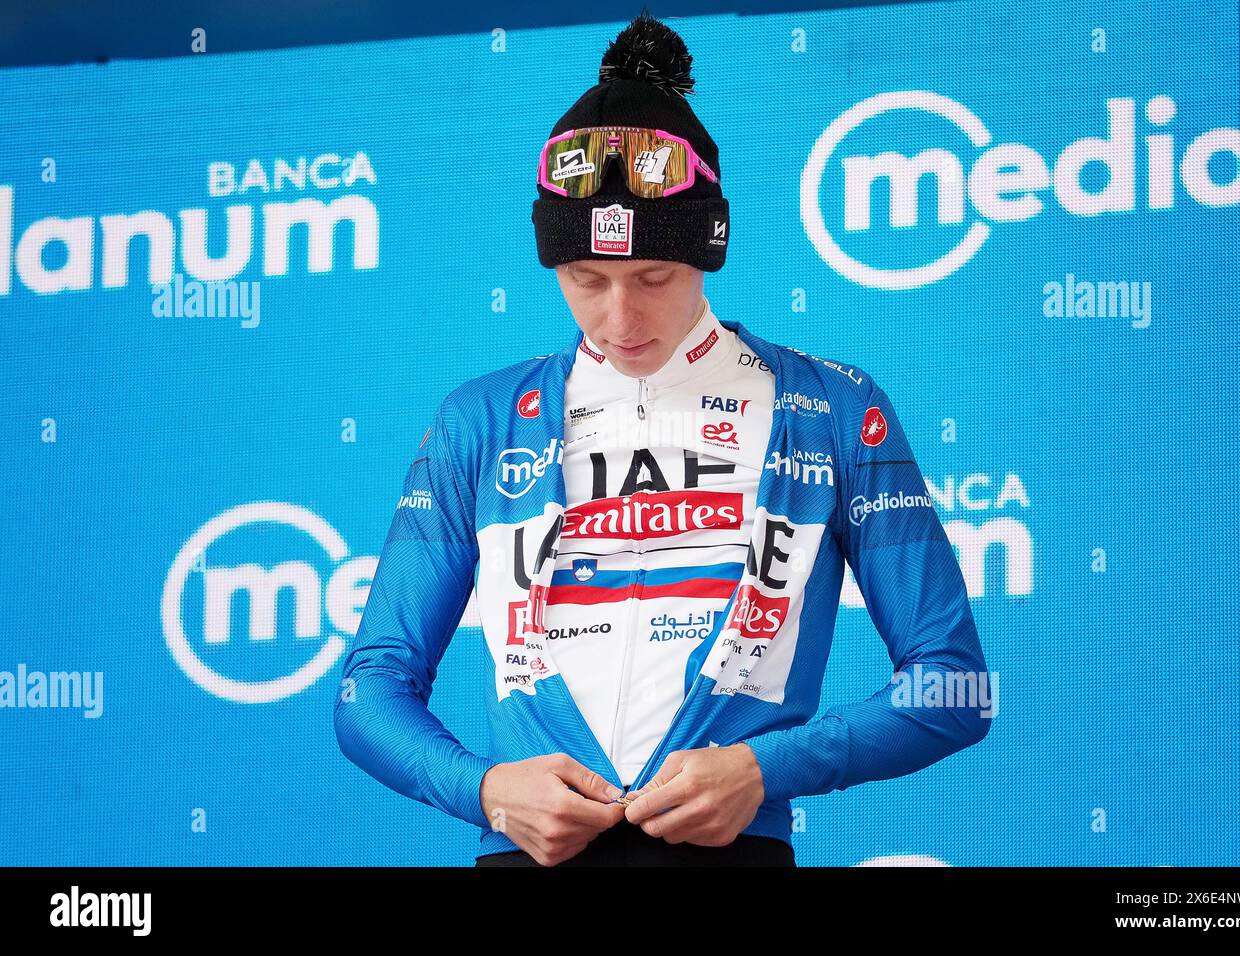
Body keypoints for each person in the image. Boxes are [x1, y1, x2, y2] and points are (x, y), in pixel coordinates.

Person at [334, 12, 992, 868]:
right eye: (586, 279)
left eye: (654, 276)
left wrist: (766, 768)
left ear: (708, 251)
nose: (620, 318)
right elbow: (367, 691)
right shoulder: (478, 421)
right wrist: (486, 790)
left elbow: (955, 685)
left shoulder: (833, 406)